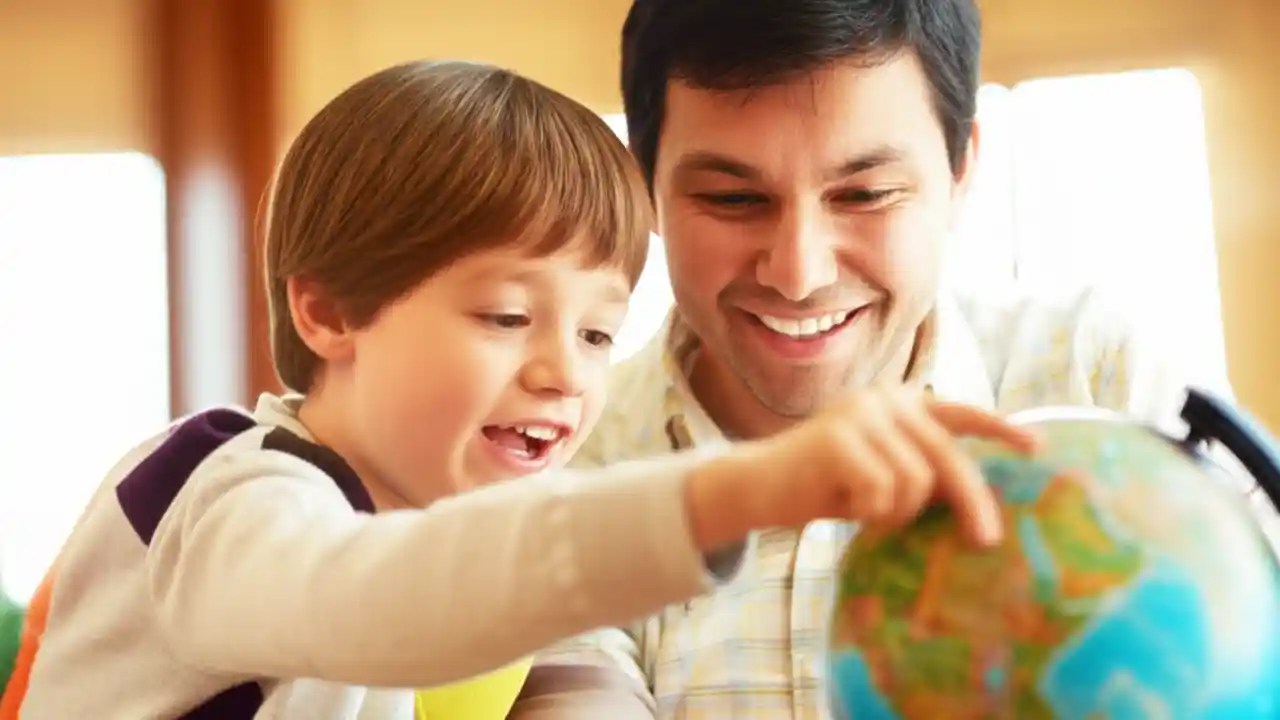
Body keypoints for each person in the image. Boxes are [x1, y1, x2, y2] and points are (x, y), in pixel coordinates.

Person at [0, 60, 1037, 719]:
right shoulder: (220, 497)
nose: (562, 373)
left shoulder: (431, 517)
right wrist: (743, 490)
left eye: (596, 333)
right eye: (504, 318)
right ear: (326, 313)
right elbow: (380, 596)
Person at [511, 1, 1268, 717]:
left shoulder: (1106, 380)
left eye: (866, 193)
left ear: (959, 169)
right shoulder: (559, 464)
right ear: (647, 182)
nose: (799, 273)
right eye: (734, 200)